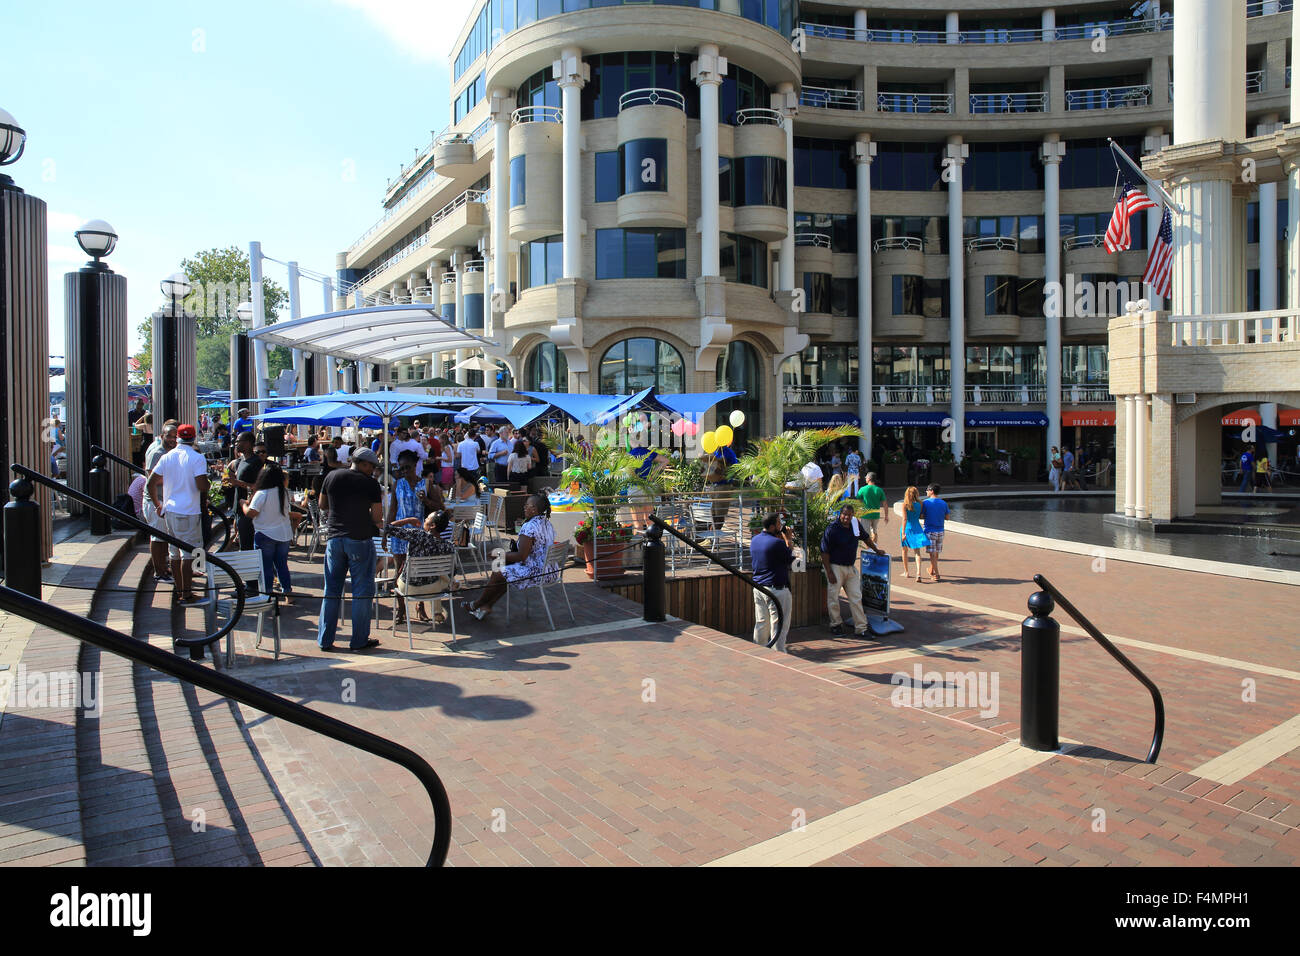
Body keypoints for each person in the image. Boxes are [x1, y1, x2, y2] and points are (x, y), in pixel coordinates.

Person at [317, 448, 384, 652]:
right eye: (371, 467)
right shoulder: (370, 484)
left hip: (335, 539)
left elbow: (322, 504)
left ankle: (325, 639)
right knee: (362, 592)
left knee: (332, 590)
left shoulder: (332, 475)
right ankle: (358, 640)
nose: (373, 471)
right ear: (364, 464)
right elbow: (376, 517)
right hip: (359, 539)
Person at [464, 494, 558, 620]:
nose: (524, 507)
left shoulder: (530, 526)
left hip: (537, 572)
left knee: (498, 572)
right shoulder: (547, 523)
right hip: (551, 570)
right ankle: (487, 605)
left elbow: (521, 556)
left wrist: (498, 555)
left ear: (534, 509)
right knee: (506, 571)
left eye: (527, 505)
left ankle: (478, 603)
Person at [146, 424, 210, 607]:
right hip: (188, 511)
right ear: (194, 438)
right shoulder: (197, 458)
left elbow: (150, 483)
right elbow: (201, 485)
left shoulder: (168, 456)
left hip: (170, 510)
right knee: (189, 554)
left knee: (174, 554)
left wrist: (158, 504)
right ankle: (187, 594)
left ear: (178, 438)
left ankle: (182, 591)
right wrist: (208, 485)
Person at [387, 509, 456, 626]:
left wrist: (408, 520)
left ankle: (402, 610)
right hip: (433, 591)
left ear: (432, 525)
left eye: (427, 518)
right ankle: (436, 611)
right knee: (442, 577)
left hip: (409, 589)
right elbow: (453, 571)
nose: (424, 520)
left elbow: (389, 527)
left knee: (398, 577)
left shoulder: (417, 535)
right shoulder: (448, 547)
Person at [243, 462, 295, 605]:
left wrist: (243, 504)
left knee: (265, 566)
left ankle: (267, 595)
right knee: (282, 564)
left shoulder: (262, 493)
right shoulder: (283, 492)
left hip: (265, 533)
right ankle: (288, 593)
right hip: (283, 534)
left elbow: (251, 513)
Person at [821, 502, 870, 638]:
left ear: (853, 515)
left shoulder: (855, 524)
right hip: (835, 566)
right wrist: (829, 571)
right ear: (840, 514)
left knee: (856, 597)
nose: (846, 518)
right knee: (833, 597)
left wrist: (877, 550)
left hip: (850, 567)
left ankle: (861, 628)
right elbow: (824, 552)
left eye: (849, 515)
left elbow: (865, 537)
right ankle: (835, 624)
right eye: (844, 515)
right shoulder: (832, 529)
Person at [385, 453, 422, 626]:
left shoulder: (426, 484)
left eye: (408, 467)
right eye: (401, 468)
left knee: (420, 572)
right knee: (398, 572)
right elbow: (392, 510)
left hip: (418, 534)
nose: (405, 471)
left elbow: (435, 508)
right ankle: (401, 609)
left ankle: (420, 605)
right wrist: (386, 532)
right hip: (399, 534)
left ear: (415, 465)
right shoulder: (397, 484)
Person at [750, 512, 795, 653]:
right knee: (779, 624)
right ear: (772, 526)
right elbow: (792, 560)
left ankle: (759, 651)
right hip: (777, 590)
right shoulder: (777, 543)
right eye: (778, 523)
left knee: (761, 623)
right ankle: (779, 653)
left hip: (759, 588)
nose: (781, 525)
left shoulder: (755, 540)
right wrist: (788, 540)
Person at [143, 421, 179, 580]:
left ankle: (164, 567)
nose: (172, 439)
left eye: (175, 436)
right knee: (157, 538)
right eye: (169, 436)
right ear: (162, 436)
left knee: (164, 537)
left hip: (165, 501)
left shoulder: (171, 452)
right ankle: (159, 571)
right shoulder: (158, 453)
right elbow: (152, 479)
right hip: (155, 501)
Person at [225, 433, 263, 551]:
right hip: (239, 509)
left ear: (248, 443)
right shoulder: (241, 461)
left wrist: (237, 482)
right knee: (243, 543)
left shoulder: (256, 462)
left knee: (248, 545)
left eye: (238, 441)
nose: (236, 444)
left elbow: (258, 486)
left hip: (248, 509)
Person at [898, 485, 930, 582]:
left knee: (904, 550)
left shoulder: (905, 504)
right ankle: (918, 573)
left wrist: (903, 533)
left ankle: (906, 572)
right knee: (917, 552)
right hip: (917, 527)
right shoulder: (920, 503)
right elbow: (921, 516)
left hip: (907, 528)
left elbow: (904, 519)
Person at [920, 483, 951, 582]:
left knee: (932, 554)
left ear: (932, 491)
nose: (926, 491)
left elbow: (921, 516)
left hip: (930, 530)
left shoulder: (926, 502)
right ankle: (931, 570)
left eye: (927, 490)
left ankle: (936, 574)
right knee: (936, 553)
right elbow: (947, 517)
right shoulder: (943, 503)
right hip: (941, 531)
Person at [855, 472, 890, 552]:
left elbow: (857, 501)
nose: (865, 479)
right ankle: (874, 547)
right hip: (876, 514)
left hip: (865, 514)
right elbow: (885, 503)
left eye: (866, 477)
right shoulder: (879, 490)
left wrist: (857, 513)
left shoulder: (863, 489)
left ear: (869, 479)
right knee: (874, 531)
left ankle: (869, 550)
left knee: (866, 535)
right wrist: (886, 515)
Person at [457, 427, 481, 491]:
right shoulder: (475, 443)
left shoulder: (461, 444)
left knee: (465, 484)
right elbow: (478, 451)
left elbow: (458, 455)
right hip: (474, 466)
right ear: (474, 435)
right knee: (475, 483)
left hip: (464, 466)